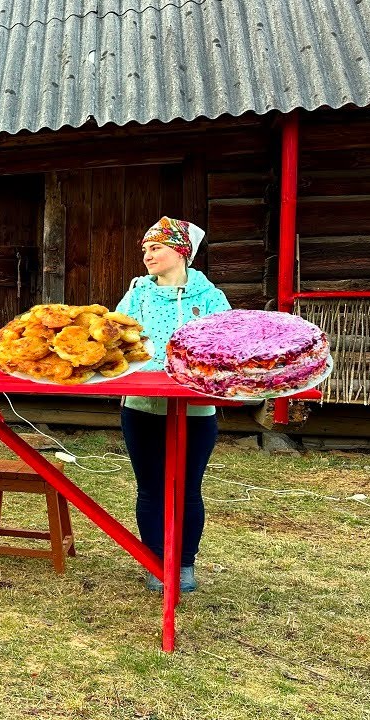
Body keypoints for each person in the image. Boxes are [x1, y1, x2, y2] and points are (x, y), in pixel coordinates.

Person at [114, 217, 230, 594]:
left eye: (155, 248)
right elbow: (115, 339)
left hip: (195, 412)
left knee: (188, 489)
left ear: (181, 251)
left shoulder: (211, 297)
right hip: (142, 409)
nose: (147, 255)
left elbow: (228, 346)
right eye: (145, 248)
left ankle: (183, 564)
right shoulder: (137, 295)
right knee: (150, 489)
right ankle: (155, 561)